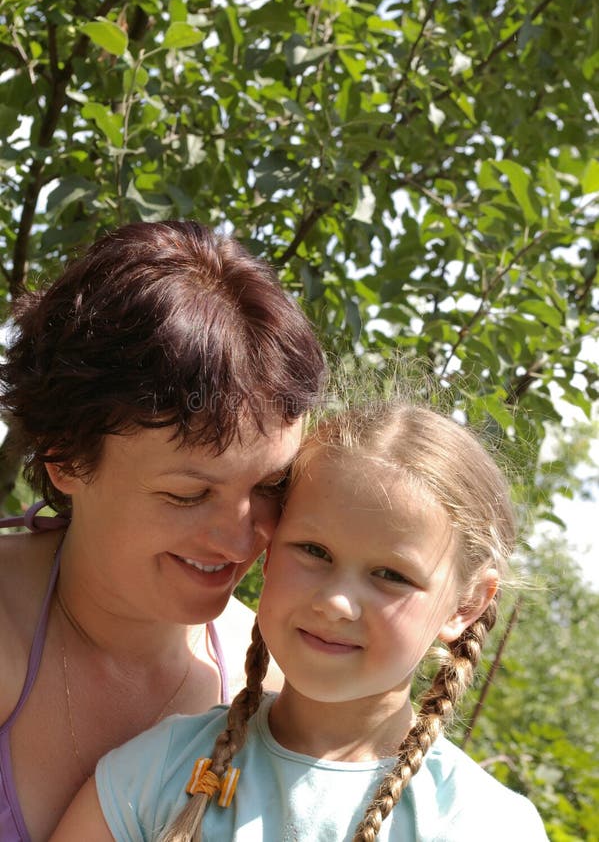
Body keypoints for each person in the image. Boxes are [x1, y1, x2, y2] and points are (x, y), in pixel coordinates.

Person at [50, 400, 548, 842]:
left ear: (467, 606)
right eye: (314, 551)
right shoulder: (154, 772)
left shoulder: (485, 824)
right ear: (267, 552)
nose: (336, 602)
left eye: (390, 575)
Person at [0, 219, 326, 842]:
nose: (240, 542)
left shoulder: (279, 683)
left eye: (270, 488)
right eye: (187, 494)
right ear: (66, 458)